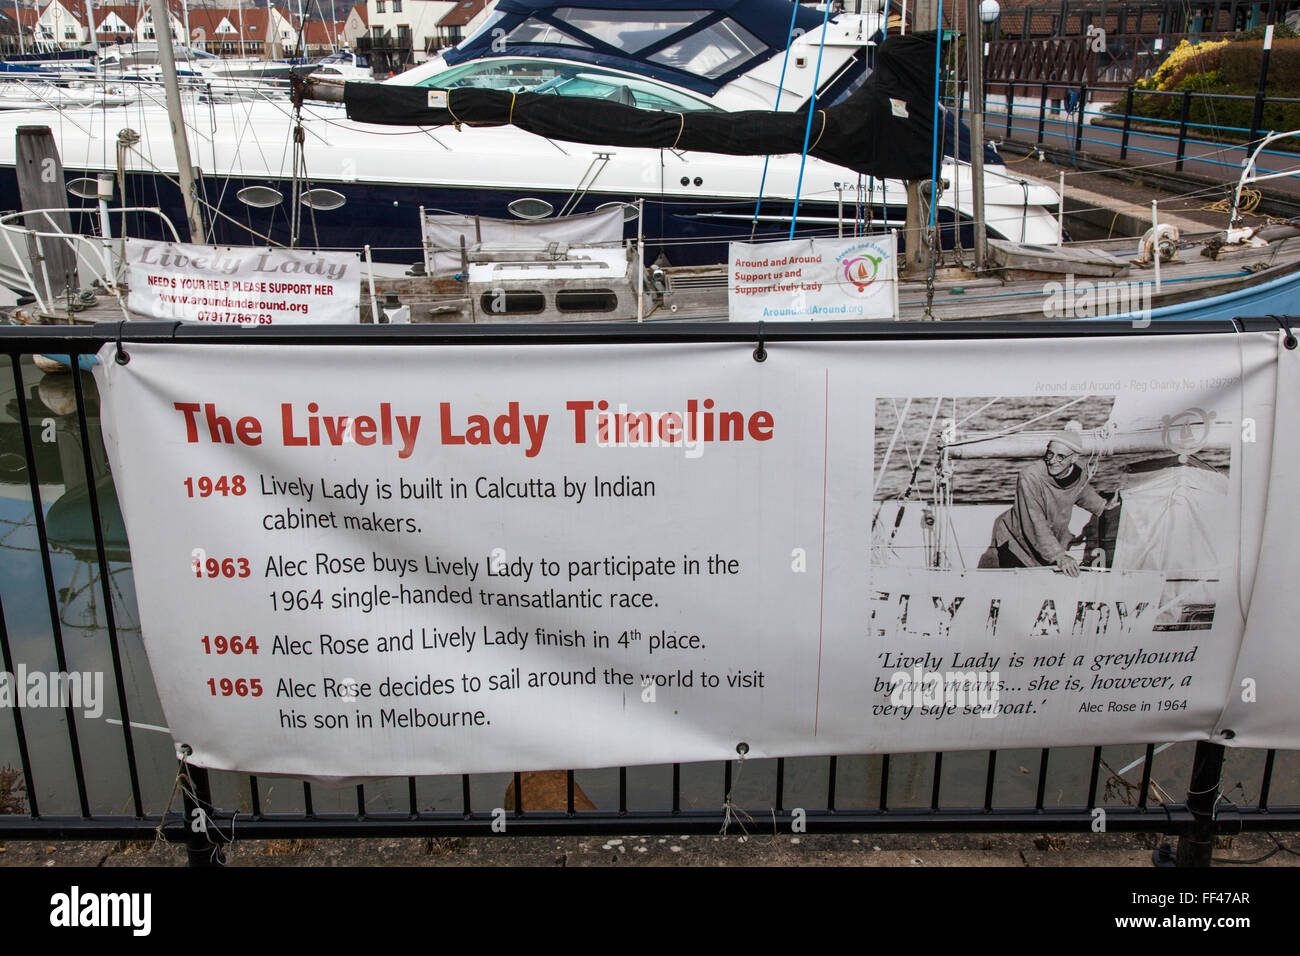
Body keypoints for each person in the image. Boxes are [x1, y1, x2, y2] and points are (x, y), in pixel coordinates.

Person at [986, 433, 1107, 576]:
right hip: (1017, 546)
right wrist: (1059, 556)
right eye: (1049, 454)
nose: (1052, 461)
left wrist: (1109, 507)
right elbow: (1035, 522)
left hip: (1046, 547)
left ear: (1074, 458)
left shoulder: (1078, 476)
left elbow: (1091, 500)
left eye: (1060, 456)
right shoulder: (1030, 476)